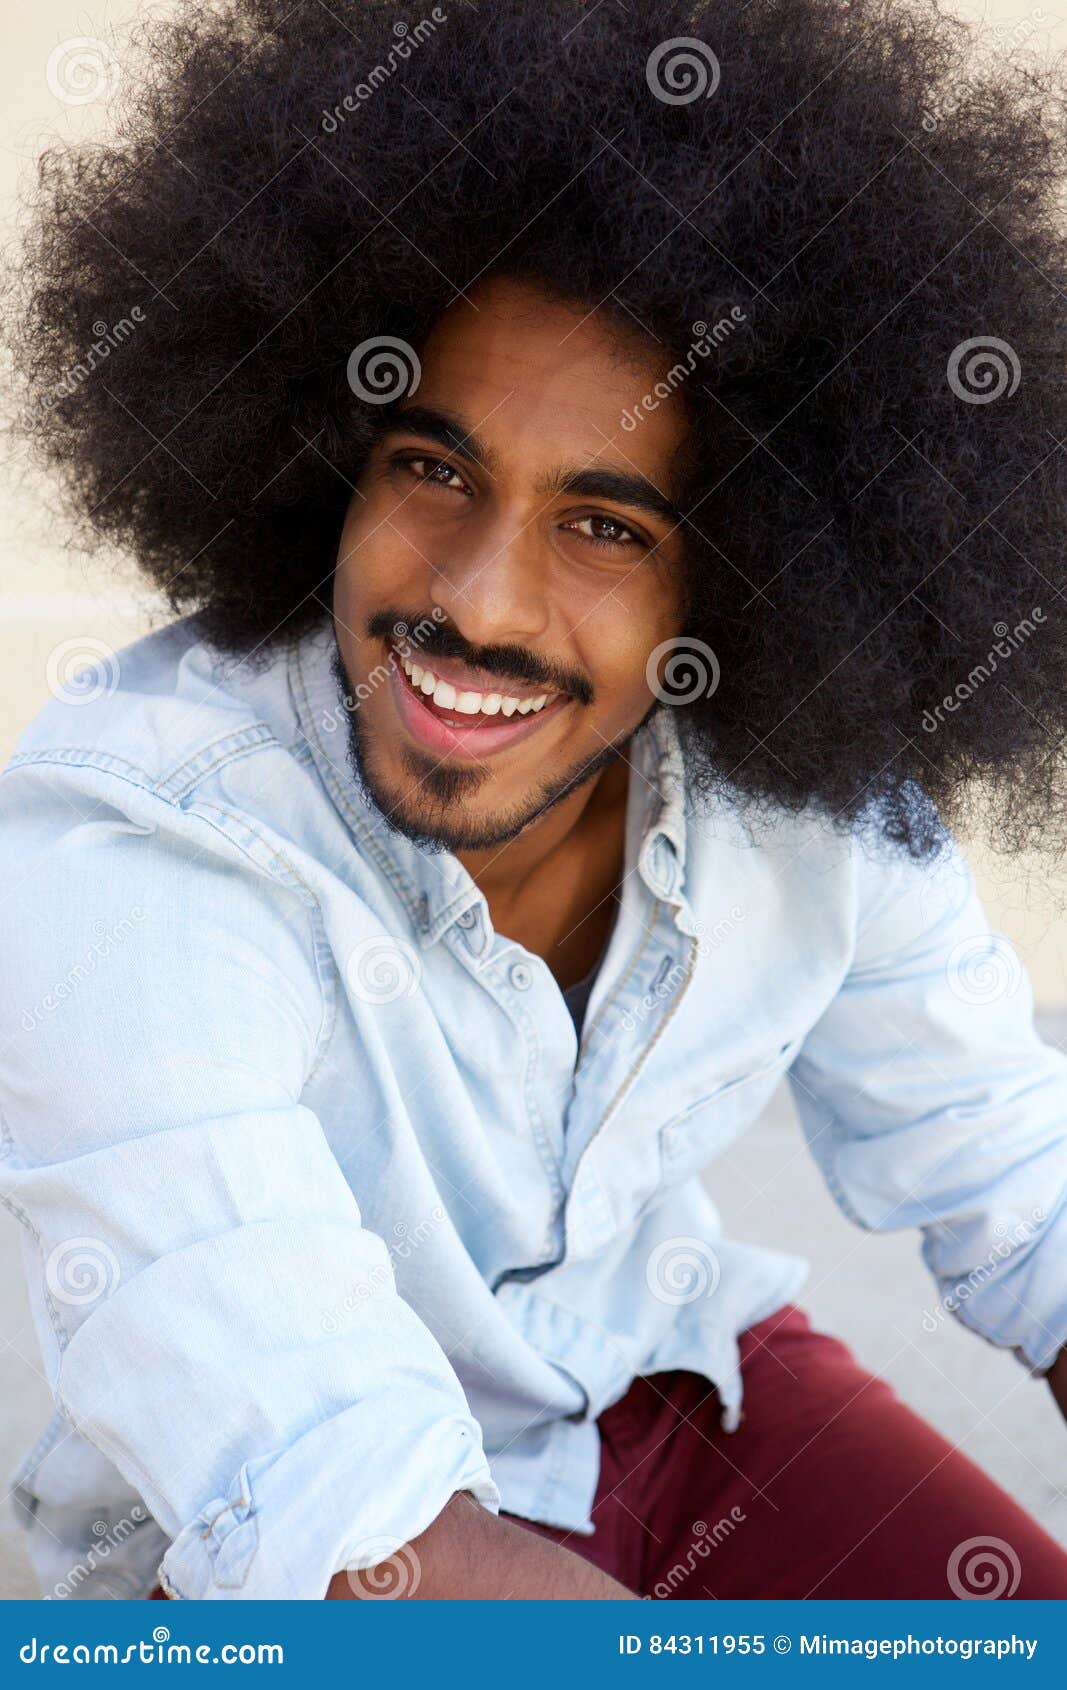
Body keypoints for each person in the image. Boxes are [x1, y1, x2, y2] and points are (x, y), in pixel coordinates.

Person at [2, 0, 1067, 1602]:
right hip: (269, 1557)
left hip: (663, 1379)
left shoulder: (804, 796)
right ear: (326, 463)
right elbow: (360, 1524)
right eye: (433, 468)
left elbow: (1018, 1184)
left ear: (748, 584)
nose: (482, 606)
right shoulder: (135, 841)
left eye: (608, 528)